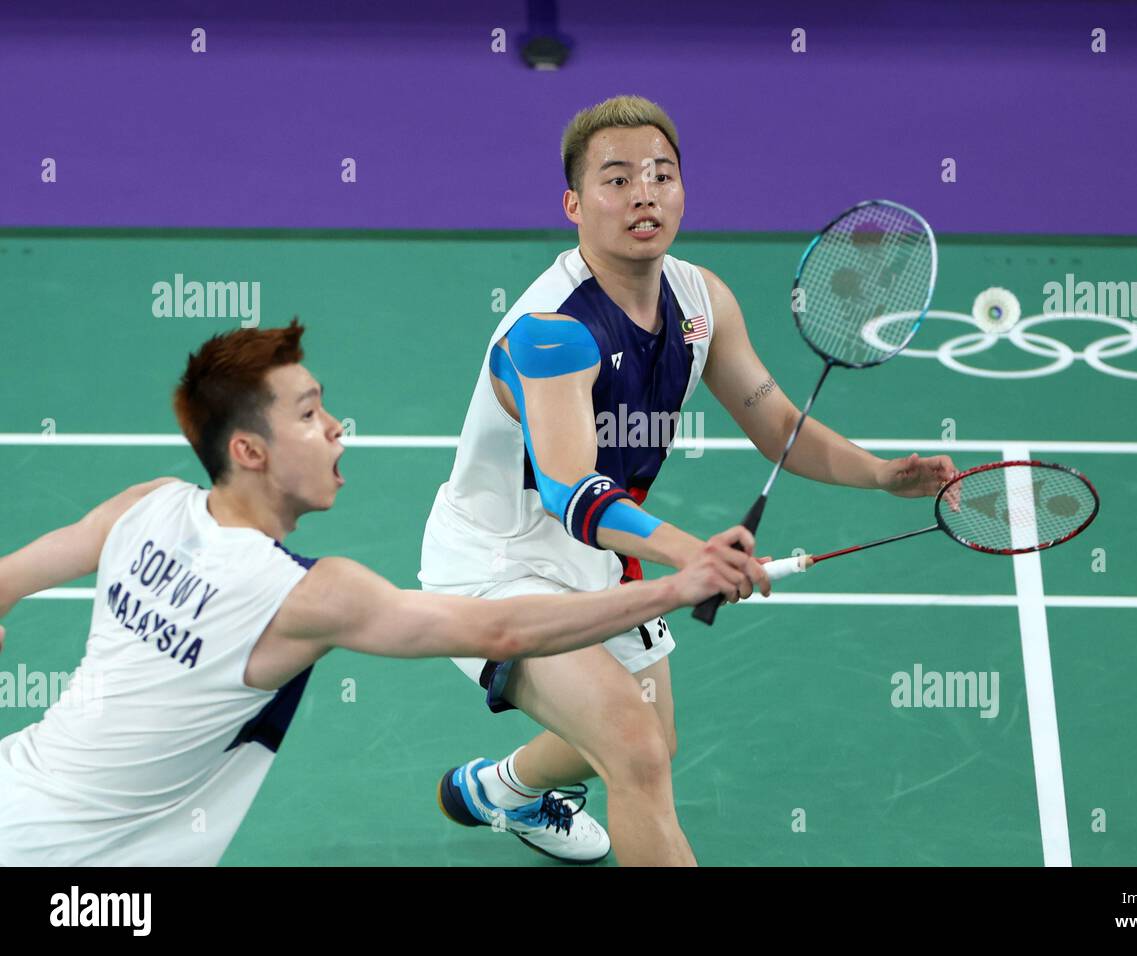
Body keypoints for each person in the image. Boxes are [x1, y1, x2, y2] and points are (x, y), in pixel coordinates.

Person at [0, 320, 768, 866]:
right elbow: (504, 632)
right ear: (248, 451)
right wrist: (679, 583)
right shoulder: (303, 595)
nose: (338, 428)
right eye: (308, 415)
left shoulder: (147, 504)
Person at [420, 94, 956, 866]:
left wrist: (879, 474)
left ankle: (500, 791)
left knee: (654, 740)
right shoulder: (553, 333)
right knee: (634, 747)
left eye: (661, 175)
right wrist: (687, 556)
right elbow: (573, 492)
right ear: (573, 204)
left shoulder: (702, 302)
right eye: (616, 179)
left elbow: (776, 424)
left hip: (601, 552)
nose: (644, 193)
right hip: (497, 563)